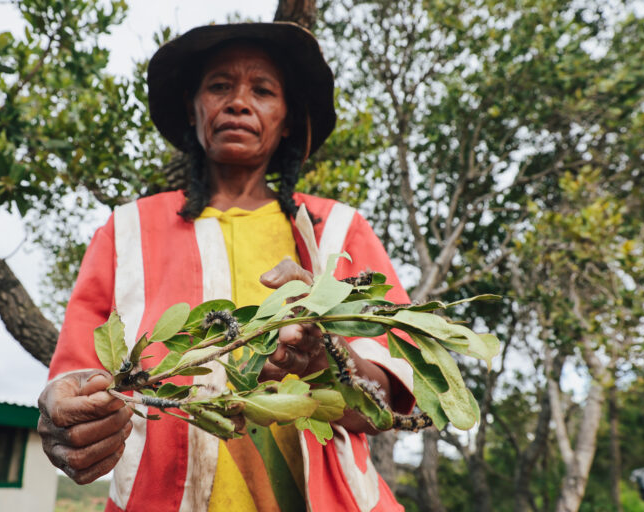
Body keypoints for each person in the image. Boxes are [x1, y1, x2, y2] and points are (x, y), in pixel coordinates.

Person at [37, 22, 416, 512]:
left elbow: (388, 401)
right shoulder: (127, 231)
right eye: (219, 86)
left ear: (286, 120)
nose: (239, 102)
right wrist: (68, 412)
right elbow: (73, 376)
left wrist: (332, 360)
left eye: (262, 90)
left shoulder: (340, 232)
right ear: (193, 109)